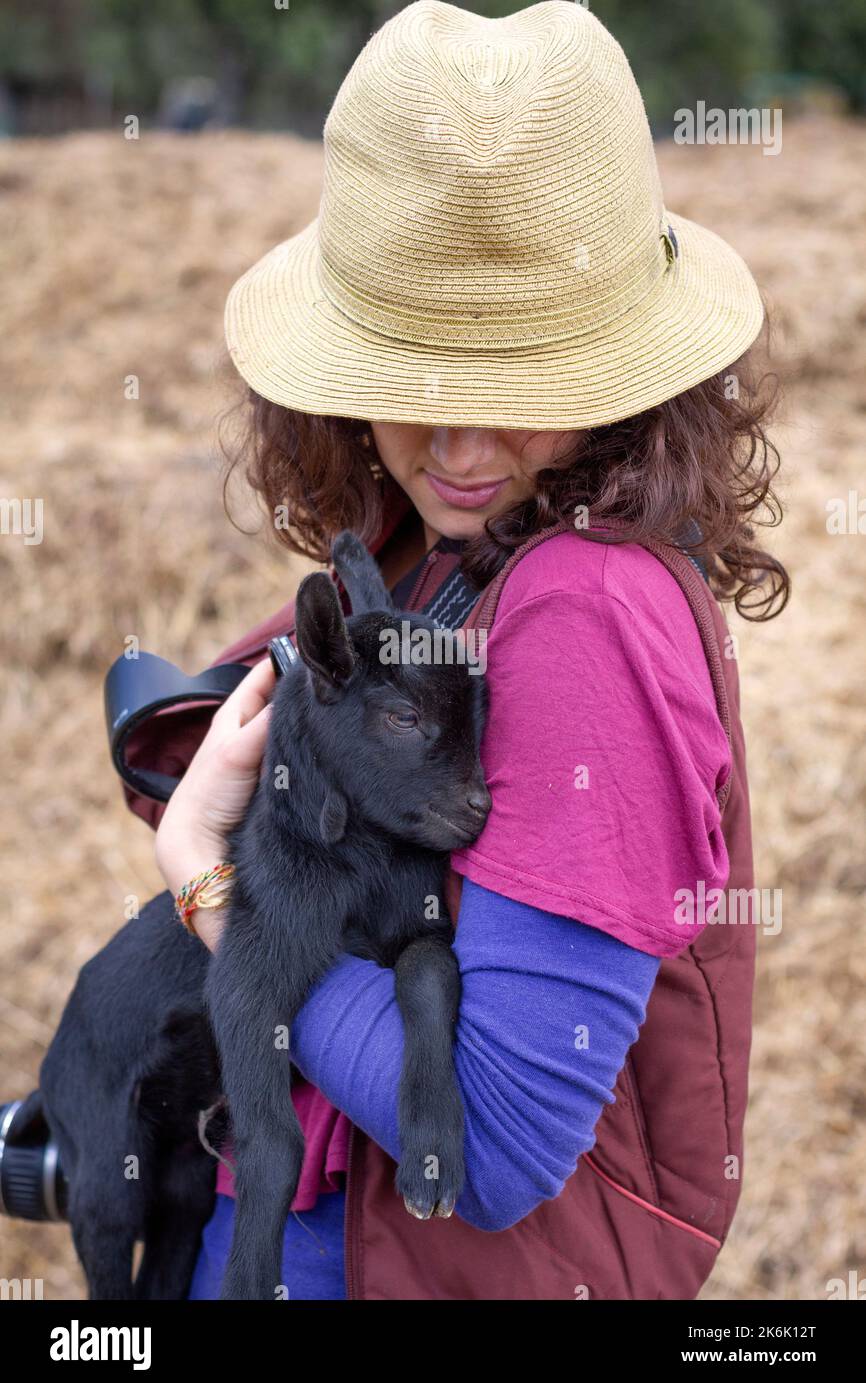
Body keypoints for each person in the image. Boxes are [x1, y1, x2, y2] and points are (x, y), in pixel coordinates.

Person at [145, 1, 787, 1300]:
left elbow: (487, 1148)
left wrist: (212, 889)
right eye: (415, 372)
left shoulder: (579, 615)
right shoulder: (468, 548)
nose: (460, 444)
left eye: (524, 380)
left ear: (621, 381)